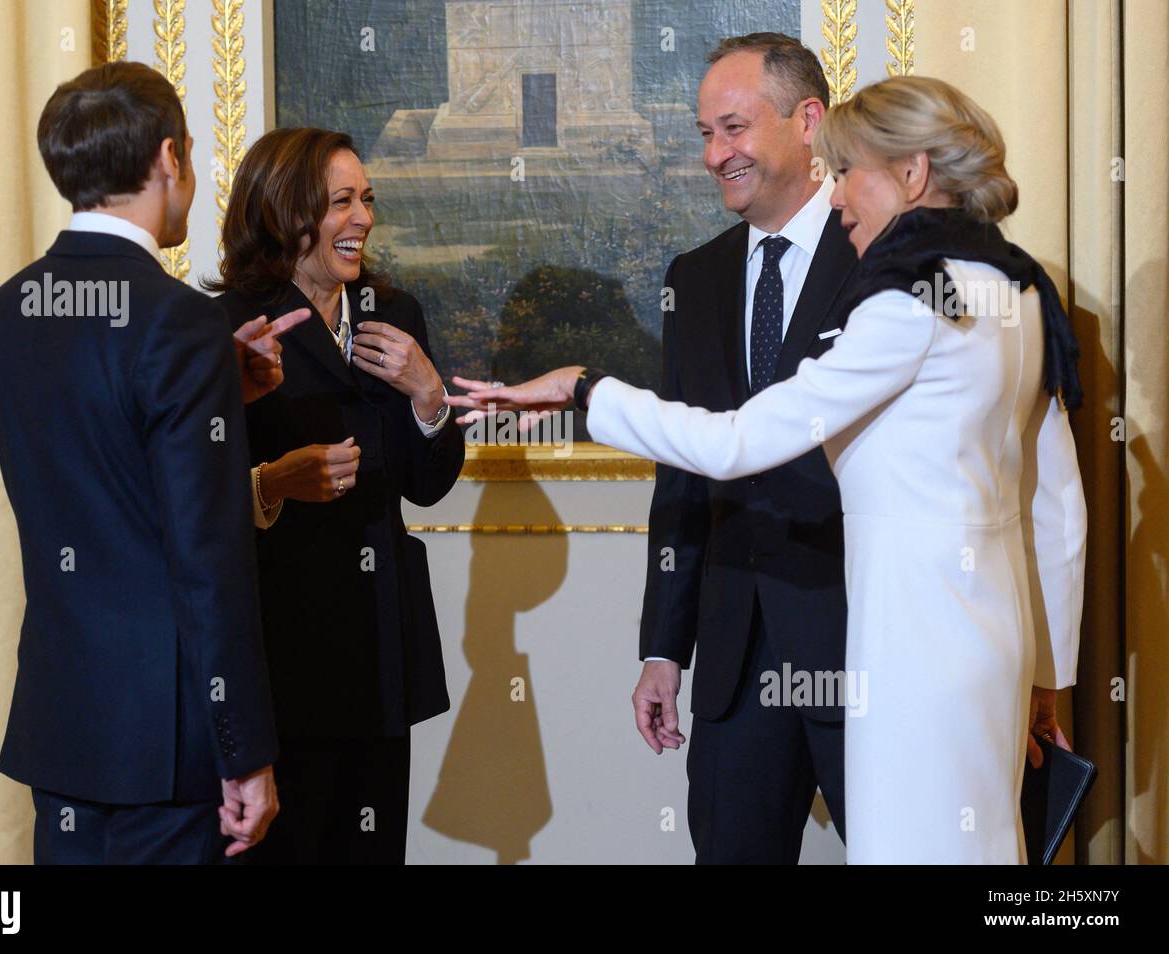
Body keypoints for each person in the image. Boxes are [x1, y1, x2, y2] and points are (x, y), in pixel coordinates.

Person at [450, 75, 1087, 863]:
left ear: (914, 174)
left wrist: (583, 390)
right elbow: (1056, 500)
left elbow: (736, 444)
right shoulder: (1018, 291)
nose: (841, 195)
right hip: (993, 646)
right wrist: (1046, 673)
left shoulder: (904, 304)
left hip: (912, 649)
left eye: (851, 171)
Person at [0, 62, 300, 863]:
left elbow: (92, 457)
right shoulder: (179, 323)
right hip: (169, 735)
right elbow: (207, 558)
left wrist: (218, 393)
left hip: (65, 723)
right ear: (168, 158)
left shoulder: (6, 313)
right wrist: (246, 748)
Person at [206, 127, 466, 864]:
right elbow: (186, 493)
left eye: (368, 200)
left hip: (381, 654)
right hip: (279, 656)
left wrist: (429, 394)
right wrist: (274, 483)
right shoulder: (230, 326)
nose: (363, 218)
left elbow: (429, 482)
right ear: (288, 213)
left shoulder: (396, 313)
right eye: (342, 201)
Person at [632, 32, 856, 863]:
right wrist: (663, 647)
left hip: (861, 641)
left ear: (807, 121)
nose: (714, 154)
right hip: (733, 653)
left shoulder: (878, 255)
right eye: (703, 134)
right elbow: (682, 474)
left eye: (732, 128)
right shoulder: (692, 278)